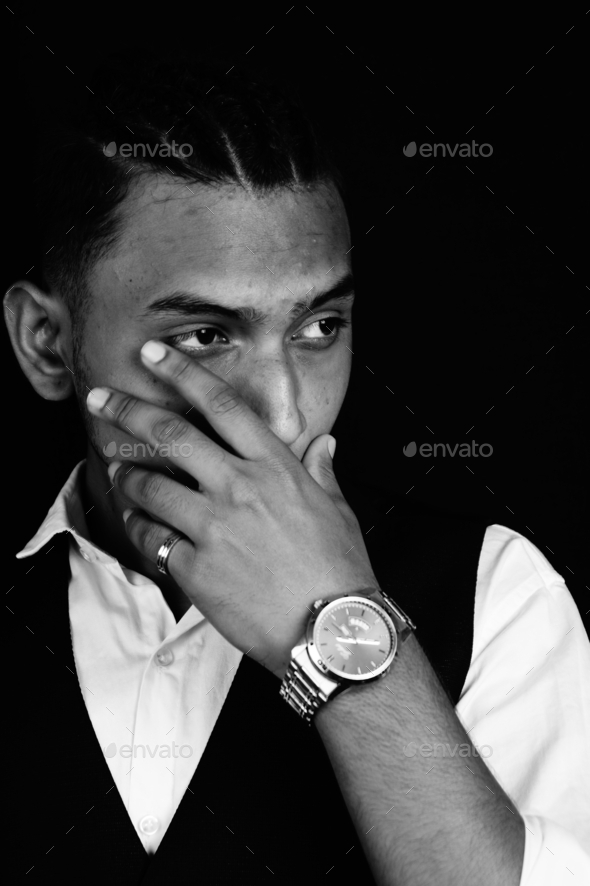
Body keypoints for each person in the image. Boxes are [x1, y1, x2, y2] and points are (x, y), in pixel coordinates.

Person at [4, 50, 589, 885]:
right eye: (206, 335)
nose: (281, 411)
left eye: (319, 328)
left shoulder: (493, 589)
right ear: (47, 342)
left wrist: (339, 629)